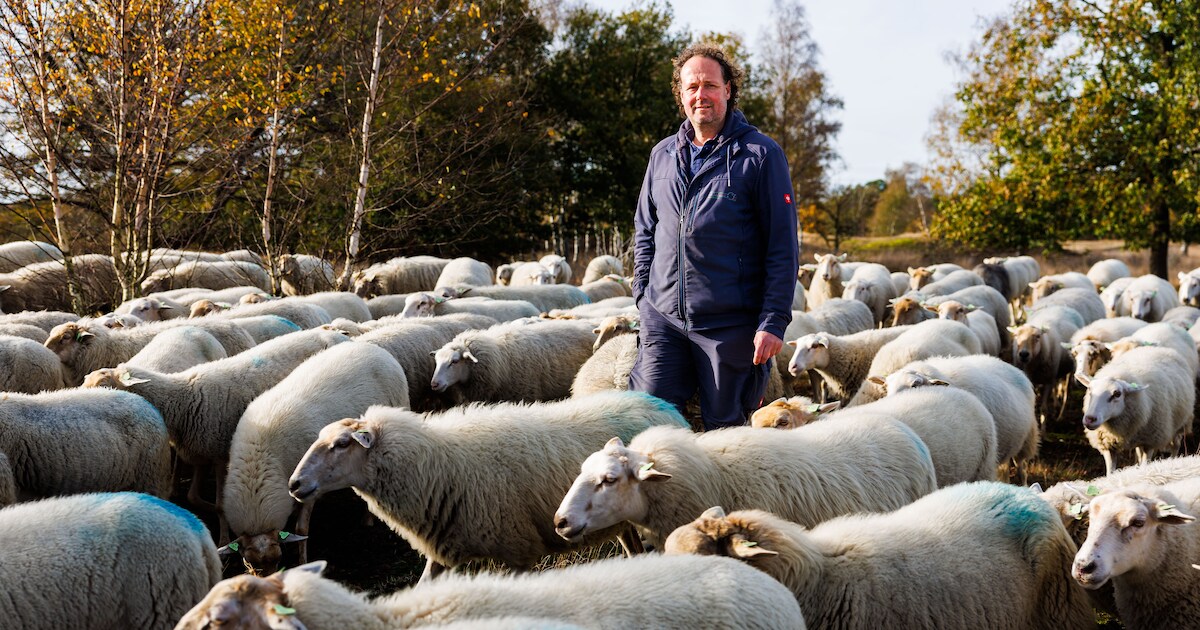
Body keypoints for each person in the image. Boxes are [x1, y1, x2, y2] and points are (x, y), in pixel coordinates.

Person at [629, 42, 800, 431]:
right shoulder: (662, 156)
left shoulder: (759, 155)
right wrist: (643, 296)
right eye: (692, 87)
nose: (700, 95)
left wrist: (773, 321)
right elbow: (645, 230)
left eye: (709, 85)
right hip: (664, 320)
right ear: (681, 95)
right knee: (647, 423)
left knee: (727, 434)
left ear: (728, 90)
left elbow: (782, 247)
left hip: (729, 326)